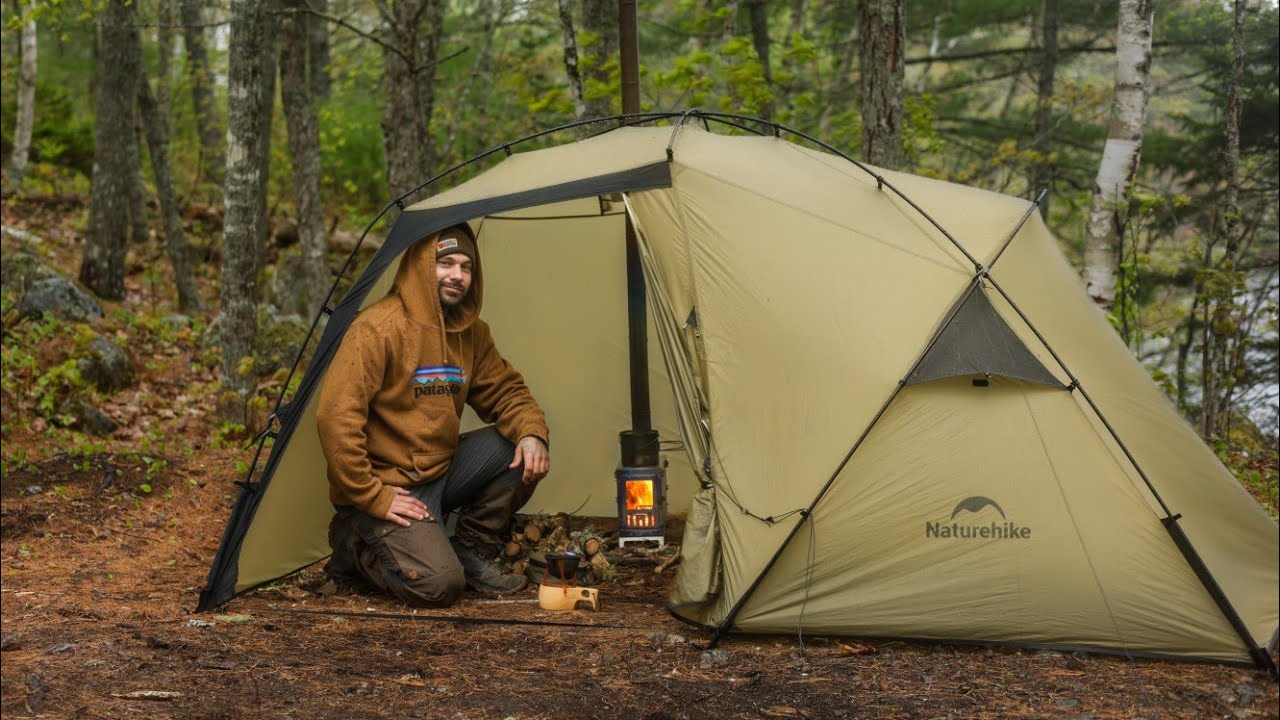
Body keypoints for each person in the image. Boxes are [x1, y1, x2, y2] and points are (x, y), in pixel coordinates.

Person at [316, 223, 550, 607]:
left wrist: (532, 433)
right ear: (423, 265)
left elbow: (507, 392)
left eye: (466, 267)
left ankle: (471, 548)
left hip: (440, 473)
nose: (458, 275)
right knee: (439, 586)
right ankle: (355, 543)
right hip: (388, 485)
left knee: (522, 442)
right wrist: (372, 496)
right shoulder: (377, 328)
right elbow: (336, 419)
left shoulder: (472, 333)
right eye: (446, 263)